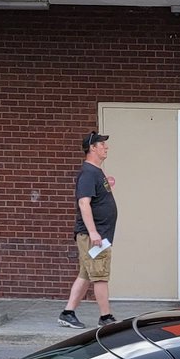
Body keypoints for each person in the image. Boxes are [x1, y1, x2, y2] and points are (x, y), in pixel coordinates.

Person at [60, 131, 118, 329]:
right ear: (92, 148)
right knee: (100, 275)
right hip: (93, 235)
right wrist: (93, 232)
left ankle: (68, 313)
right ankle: (106, 317)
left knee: (85, 274)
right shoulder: (88, 173)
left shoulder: (95, 172)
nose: (106, 147)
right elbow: (84, 203)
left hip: (98, 234)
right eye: (102, 145)